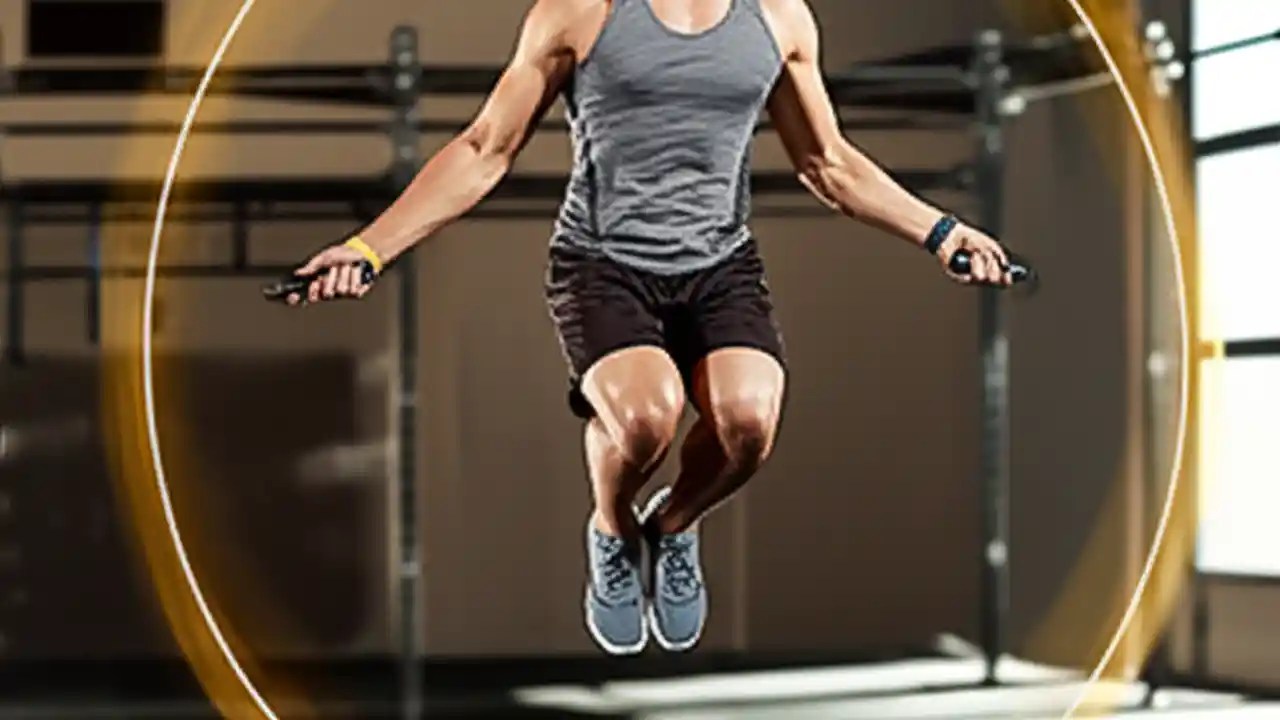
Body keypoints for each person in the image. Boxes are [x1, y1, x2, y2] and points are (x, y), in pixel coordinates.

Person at [285, 0, 1013, 655]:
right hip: (603, 265)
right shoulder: (577, 13)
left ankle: (673, 526)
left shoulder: (781, 19)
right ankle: (611, 528)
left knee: (749, 425)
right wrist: (367, 248)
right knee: (644, 421)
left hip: (720, 263)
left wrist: (942, 231)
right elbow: (483, 150)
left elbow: (828, 164)